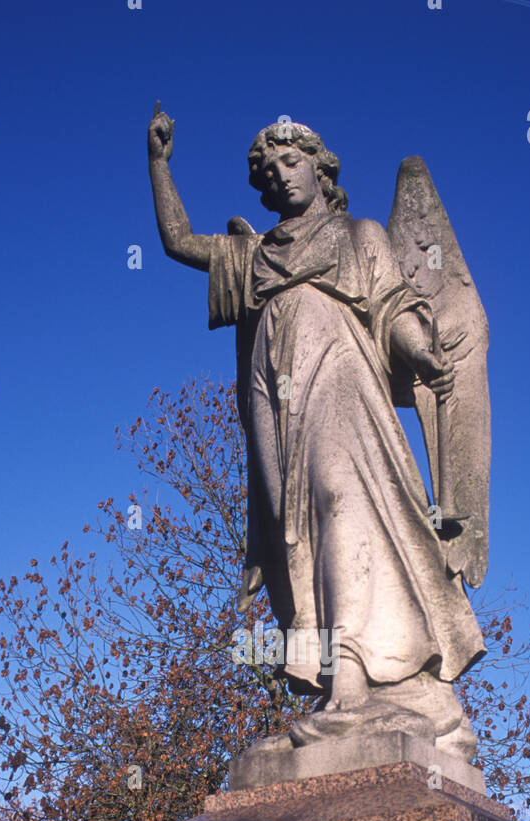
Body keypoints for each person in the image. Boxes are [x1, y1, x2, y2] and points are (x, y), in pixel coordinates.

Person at [148, 109, 485, 759]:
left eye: (291, 161)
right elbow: (178, 241)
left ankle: (355, 689)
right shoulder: (255, 254)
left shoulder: (358, 236)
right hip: (274, 395)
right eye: (268, 170)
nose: (280, 174)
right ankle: (341, 683)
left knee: (341, 502)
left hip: (339, 378)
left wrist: (422, 351)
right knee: (290, 529)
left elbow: (393, 306)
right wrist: (159, 164)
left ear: (321, 168)